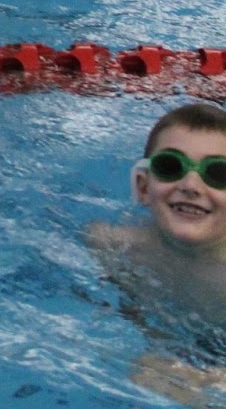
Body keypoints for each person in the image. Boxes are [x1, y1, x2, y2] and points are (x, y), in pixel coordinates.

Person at [88, 103, 226, 405]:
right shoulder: (112, 245)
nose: (190, 185)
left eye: (217, 173)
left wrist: (211, 379)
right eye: (170, 167)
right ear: (142, 186)